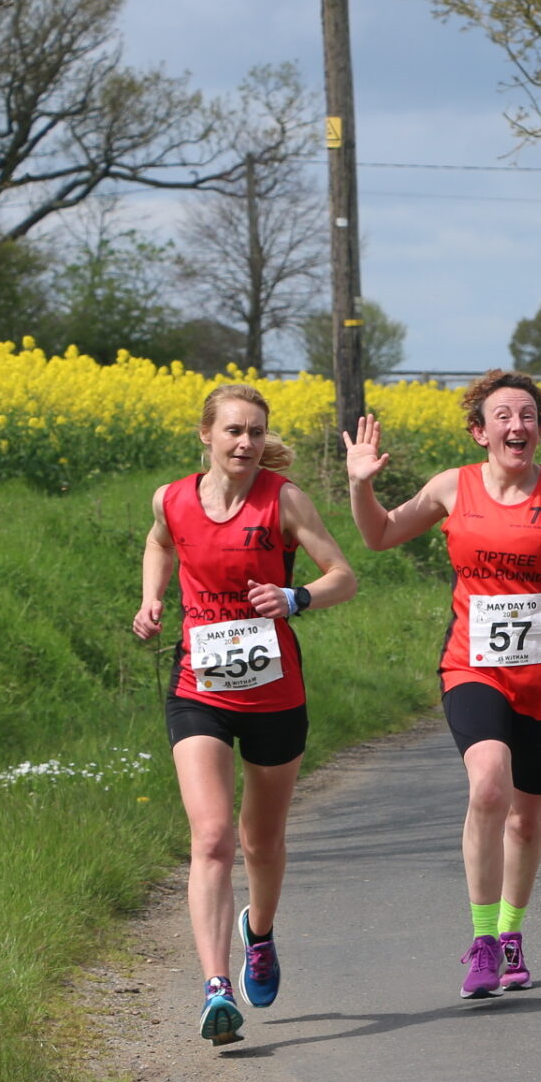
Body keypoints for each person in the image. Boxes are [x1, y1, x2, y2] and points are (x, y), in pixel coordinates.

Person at [344, 369, 541, 999]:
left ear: (540, 428)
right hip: (473, 667)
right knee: (489, 787)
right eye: (504, 417)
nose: (518, 426)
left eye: (529, 416)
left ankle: (513, 934)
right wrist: (360, 487)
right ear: (479, 431)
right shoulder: (449, 488)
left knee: (525, 818)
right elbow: (378, 536)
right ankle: (483, 942)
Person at [135, 383, 359, 1044]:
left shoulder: (284, 500)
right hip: (198, 686)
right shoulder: (171, 498)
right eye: (234, 430)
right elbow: (159, 543)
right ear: (205, 434)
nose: (246, 443)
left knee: (260, 841)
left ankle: (257, 933)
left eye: (256, 432)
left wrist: (296, 596)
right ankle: (215, 987)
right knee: (211, 838)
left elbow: (343, 575)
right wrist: (151, 598)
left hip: (275, 692)